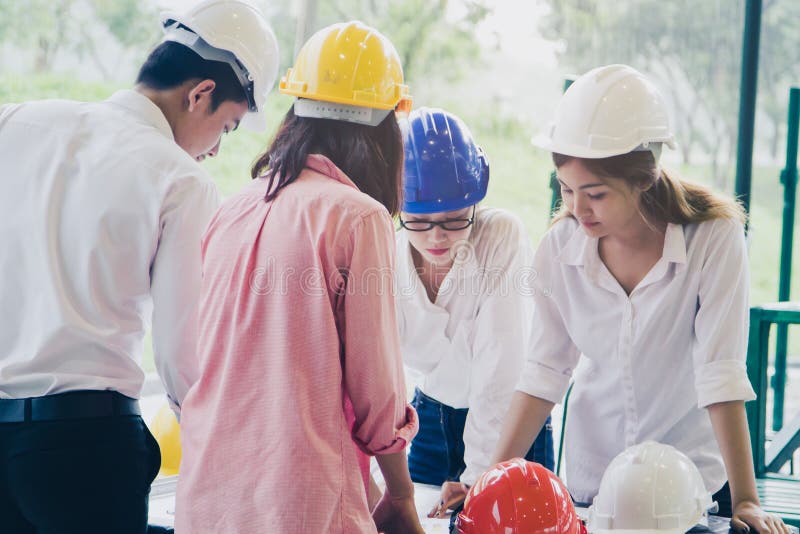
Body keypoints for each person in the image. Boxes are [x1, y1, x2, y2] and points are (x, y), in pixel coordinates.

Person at [0, 1, 278, 532]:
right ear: (200, 94)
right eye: (228, 127)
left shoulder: (15, 121)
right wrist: (222, 451)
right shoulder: (181, 180)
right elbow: (181, 355)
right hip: (85, 446)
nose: (216, 151)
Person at [492, 64, 790, 534]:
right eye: (566, 189)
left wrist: (747, 500)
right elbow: (544, 373)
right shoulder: (560, 249)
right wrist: (489, 483)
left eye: (595, 194)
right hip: (595, 490)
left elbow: (721, 372)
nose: (576, 209)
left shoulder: (713, 238)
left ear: (645, 177)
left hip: (690, 493)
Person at [175, 21, 423, 534]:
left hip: (207, 502)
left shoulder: (233, 208)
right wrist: (400, 494)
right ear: (384, 130)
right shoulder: (359, 218)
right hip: (303, 508)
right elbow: (377, 396)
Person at [395, 107, 554, 517]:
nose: (436, 237)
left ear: (475, 202)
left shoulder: (500, 236)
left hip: (510, 426)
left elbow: (499, 368)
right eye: (419, 221)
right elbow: (379, 372)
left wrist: (481, 475)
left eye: (453, 220)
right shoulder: (384, 249)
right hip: (429, 421)